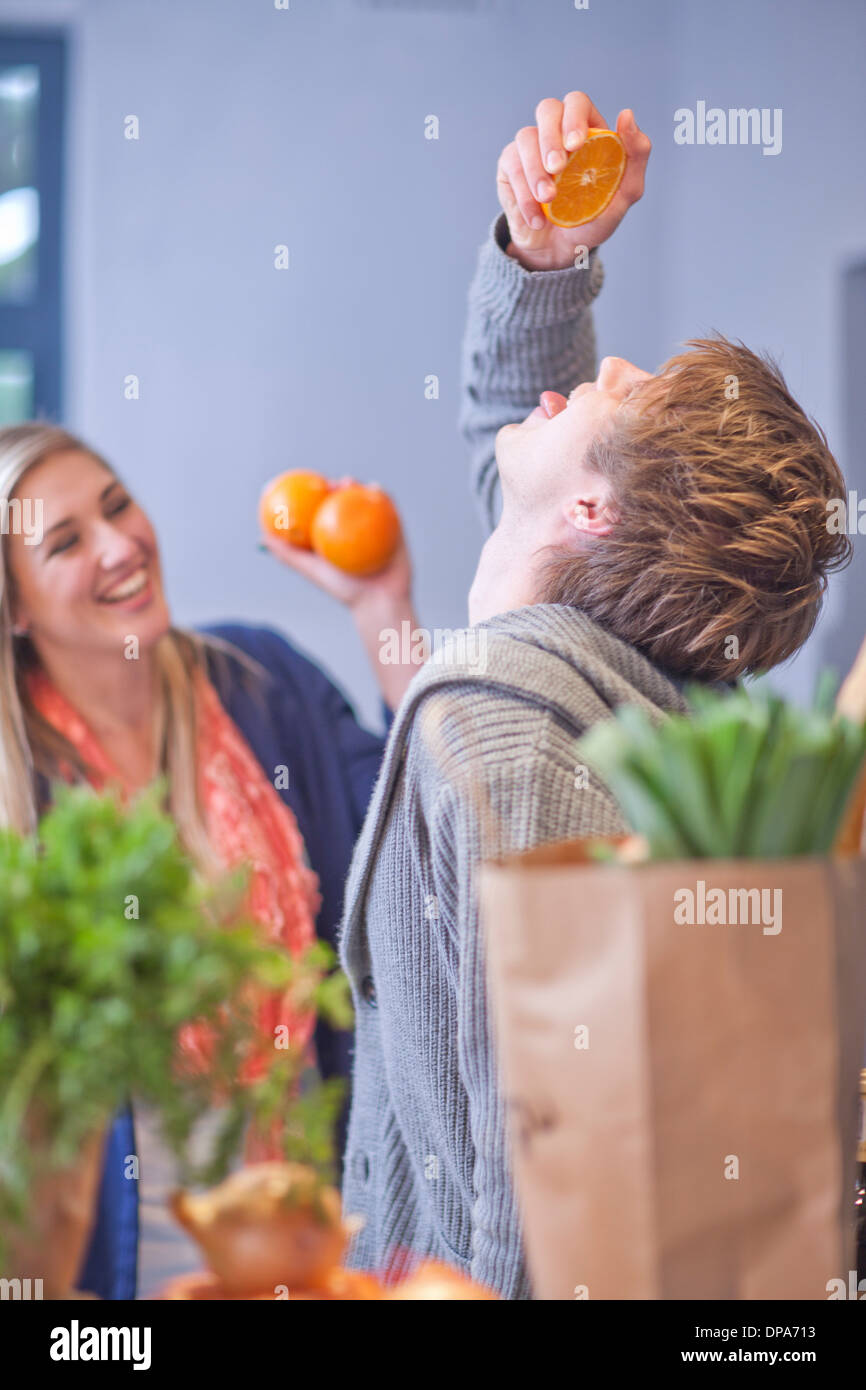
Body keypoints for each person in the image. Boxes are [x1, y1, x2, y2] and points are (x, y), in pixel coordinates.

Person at [336, 91, 852, 1298]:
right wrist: (550, 262)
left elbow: (545, 1152)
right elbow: (517, 433)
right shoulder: (596, 660)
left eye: (616, 393)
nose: (596, 369)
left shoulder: (499, 733)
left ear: (590, 514)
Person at [0, 424, 421, 1297]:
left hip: (318, 1226)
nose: (120, 546)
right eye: (67, 541)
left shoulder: (261, 682)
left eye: (118, 506)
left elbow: (422, 832)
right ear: (14, 606)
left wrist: (385, 613)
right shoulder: (17, 798)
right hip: (132, 1257)